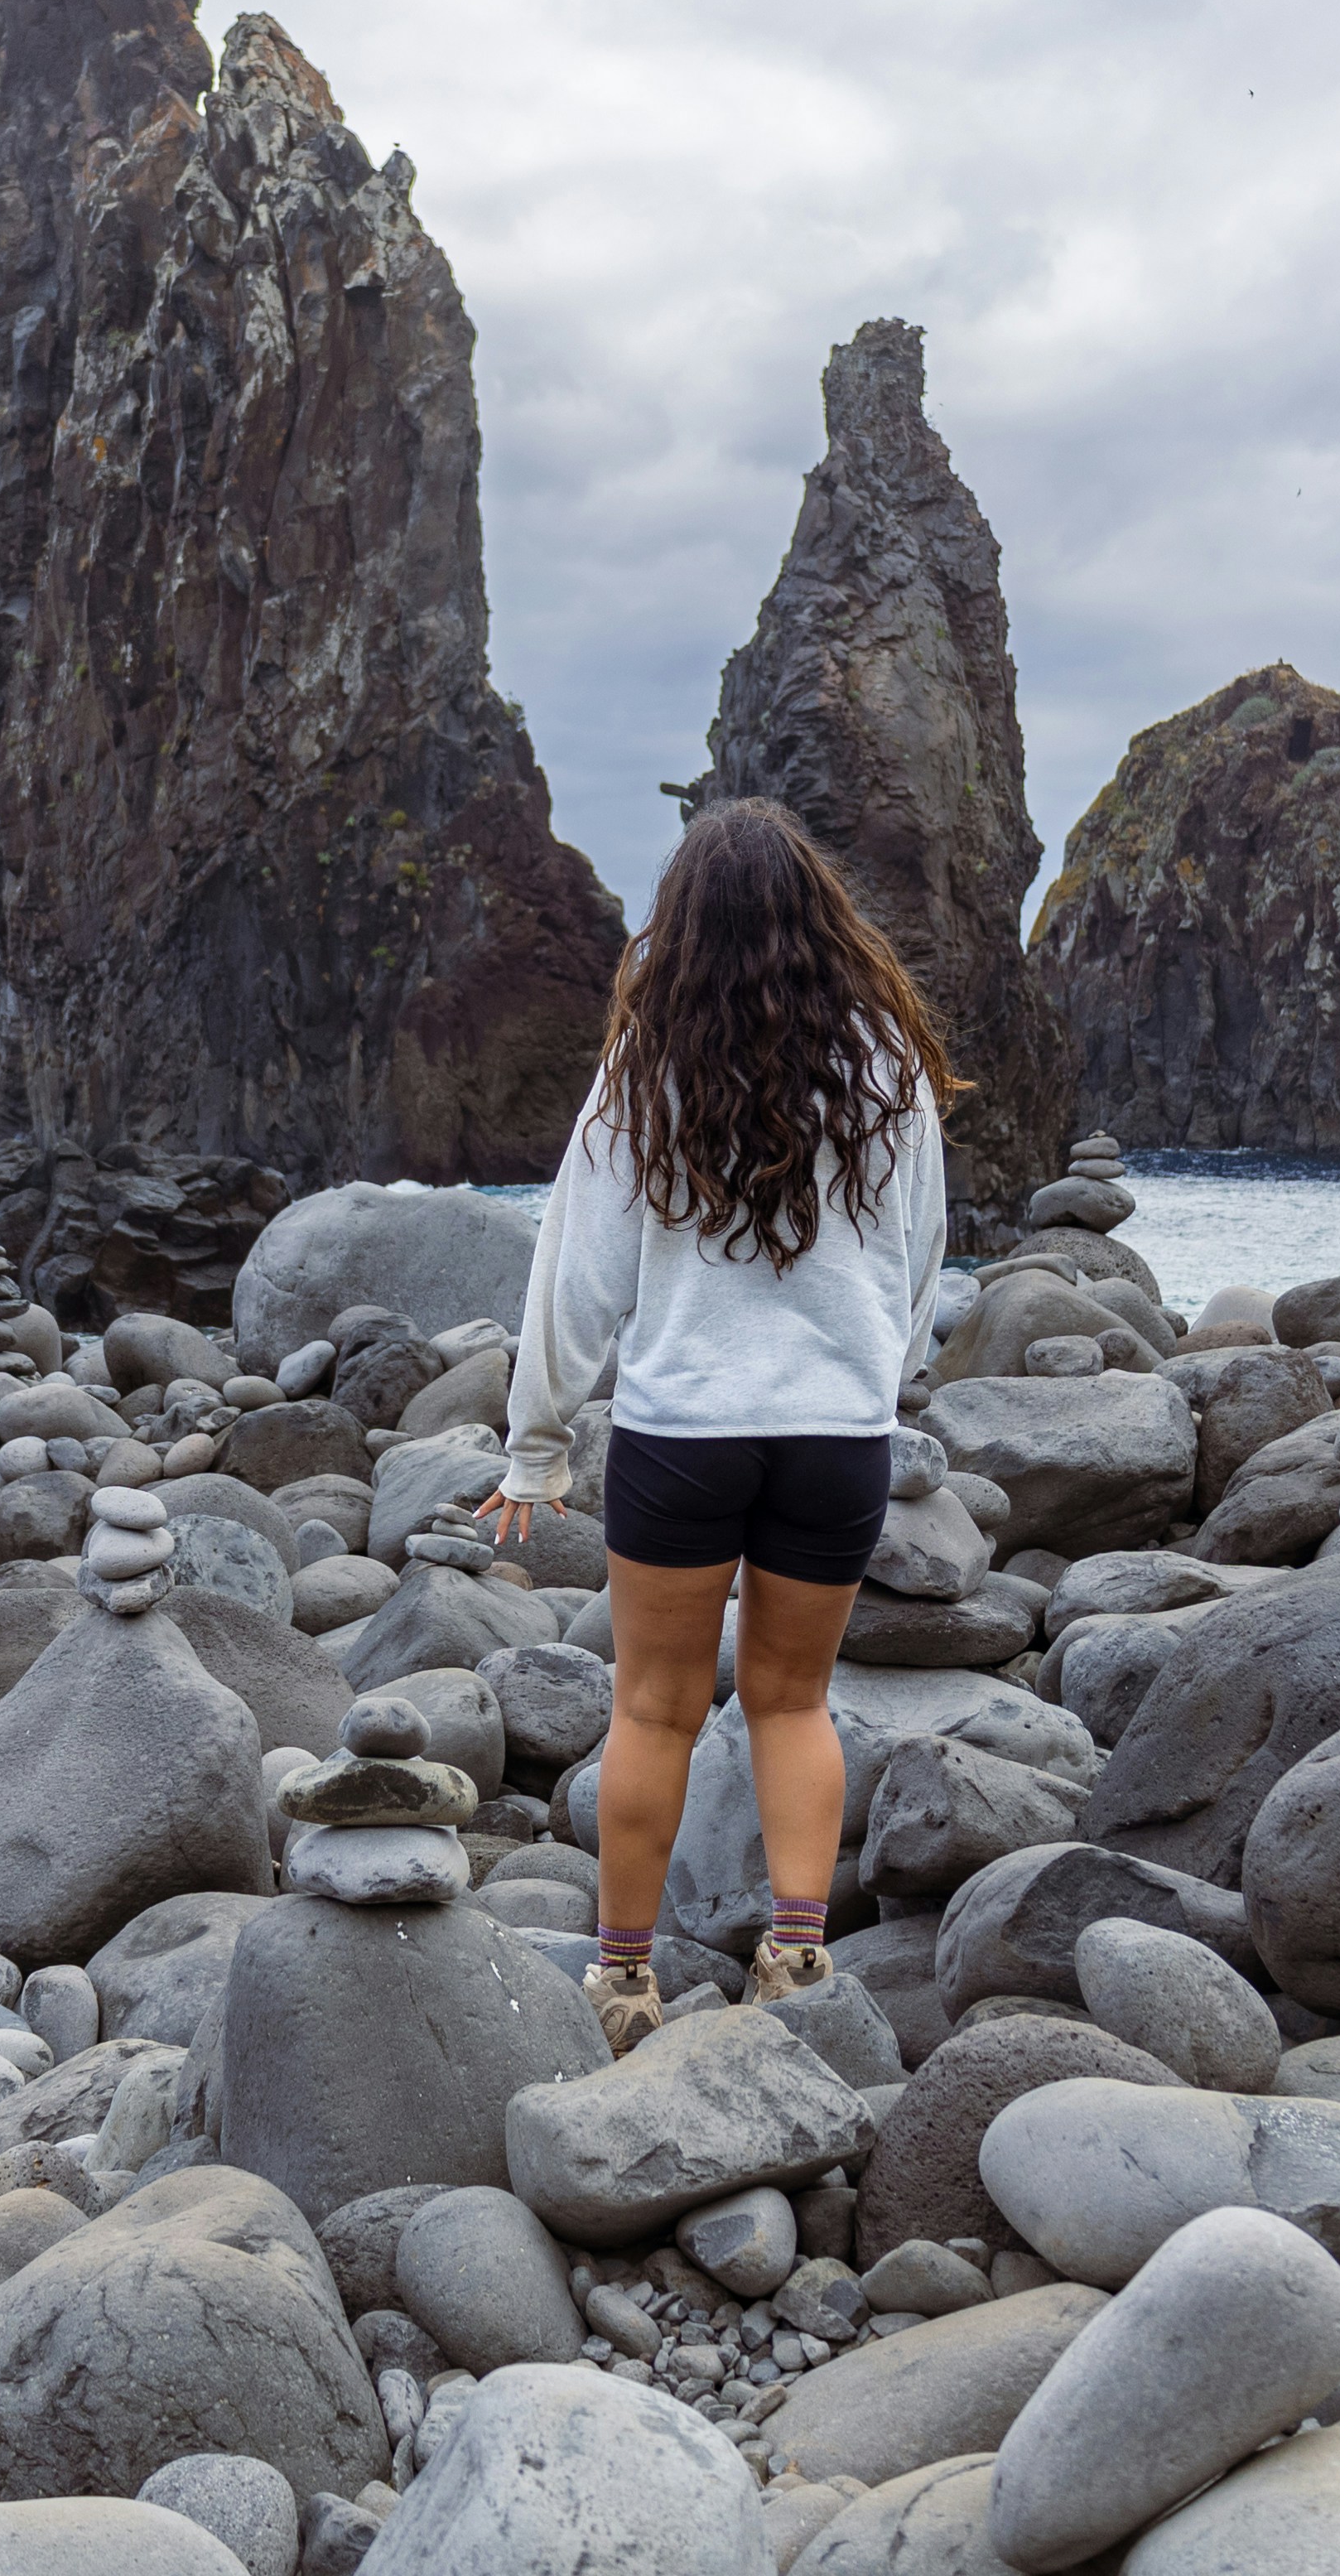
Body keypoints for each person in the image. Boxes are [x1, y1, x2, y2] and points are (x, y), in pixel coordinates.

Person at [493, 798, 954, 2053]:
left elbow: (575, 1274)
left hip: (683, 1437)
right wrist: (879, 1383)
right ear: (825, 918)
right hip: (834, 1438)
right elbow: (920, 1259)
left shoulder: (646, 1069)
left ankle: (624, 1979)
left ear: (680, 926)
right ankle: (796, 1960)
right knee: (794, 1705)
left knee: (651, 1709)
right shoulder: (892, 1069)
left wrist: (535, 1441)